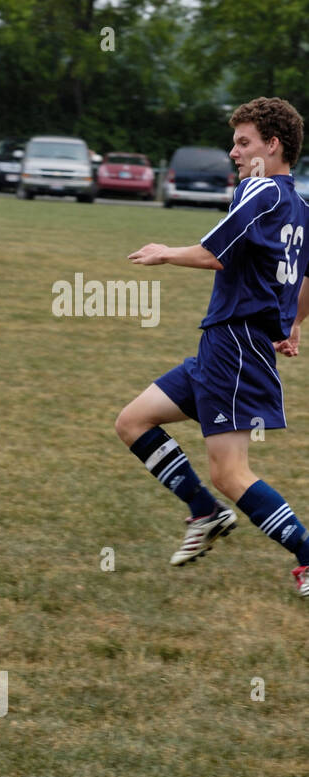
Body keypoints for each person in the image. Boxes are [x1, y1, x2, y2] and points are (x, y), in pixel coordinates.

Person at [117, 97, 309, 596]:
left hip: (236, 347)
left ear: (273, 146)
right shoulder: (301, 208)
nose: (233, 153)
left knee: (231, 472)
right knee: (132, 422)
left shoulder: (260, 190)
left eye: (243, 143)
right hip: (222, 343)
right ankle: (203, 513)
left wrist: (165, 253)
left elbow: (214, 253)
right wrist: (291, 324)